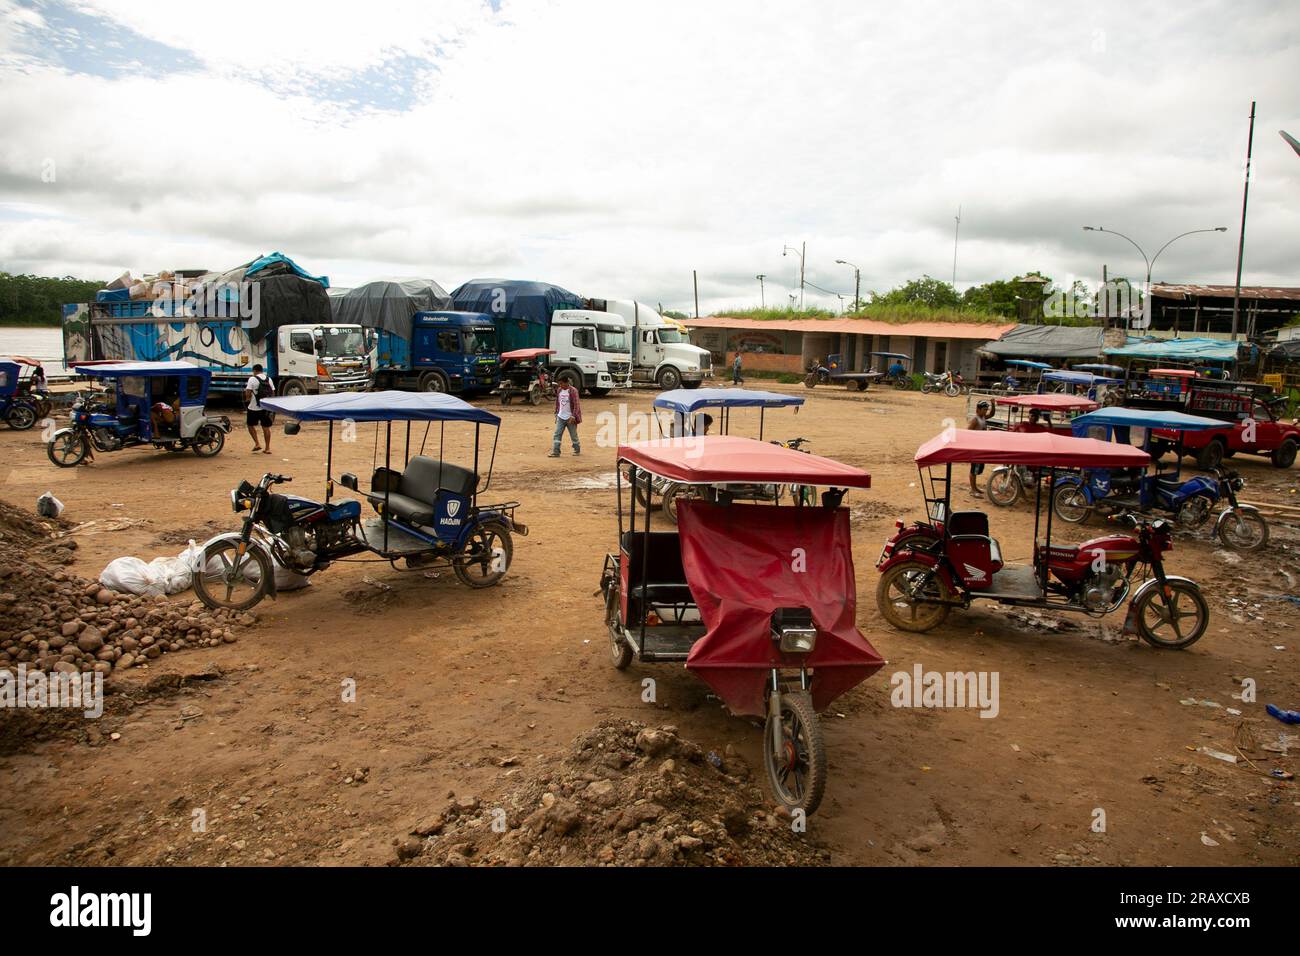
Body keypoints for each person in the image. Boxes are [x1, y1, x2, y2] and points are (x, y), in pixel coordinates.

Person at [244, 363, 275, 454]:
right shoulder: (269, 379)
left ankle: (257, 443)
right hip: (265, 407)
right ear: (262, 370)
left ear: (254, 370)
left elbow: (248, 393)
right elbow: (273, 393)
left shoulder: (252, 379)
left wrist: (247, 399)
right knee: (266, 427)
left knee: (250, 425)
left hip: (253, 407)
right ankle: (267, 448)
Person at [548, 378, 582, 457]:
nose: (560, 385)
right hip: (561, 416)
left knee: (573, 435)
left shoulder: (573, 391)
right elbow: (558, 402)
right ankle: (556, 452)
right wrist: (556, 413)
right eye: (559, 384)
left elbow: (577, 405)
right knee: (557, 434)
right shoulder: (559, 390)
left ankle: (577, 450)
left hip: (570, 418)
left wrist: (573, 416)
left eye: (562, 383)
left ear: (567, 383)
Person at [968, 400, 992, 496]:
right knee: (974, 469)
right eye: (984, 409)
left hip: (980, 447)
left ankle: (975, 488)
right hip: (975, 447)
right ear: (978, 409)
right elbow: (968, 432)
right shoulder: (975, 419)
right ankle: (973, 489)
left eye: (986, 409)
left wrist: (993, 404)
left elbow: (992, 414)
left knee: (977, 468)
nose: (986, 411)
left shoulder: (983, 417)